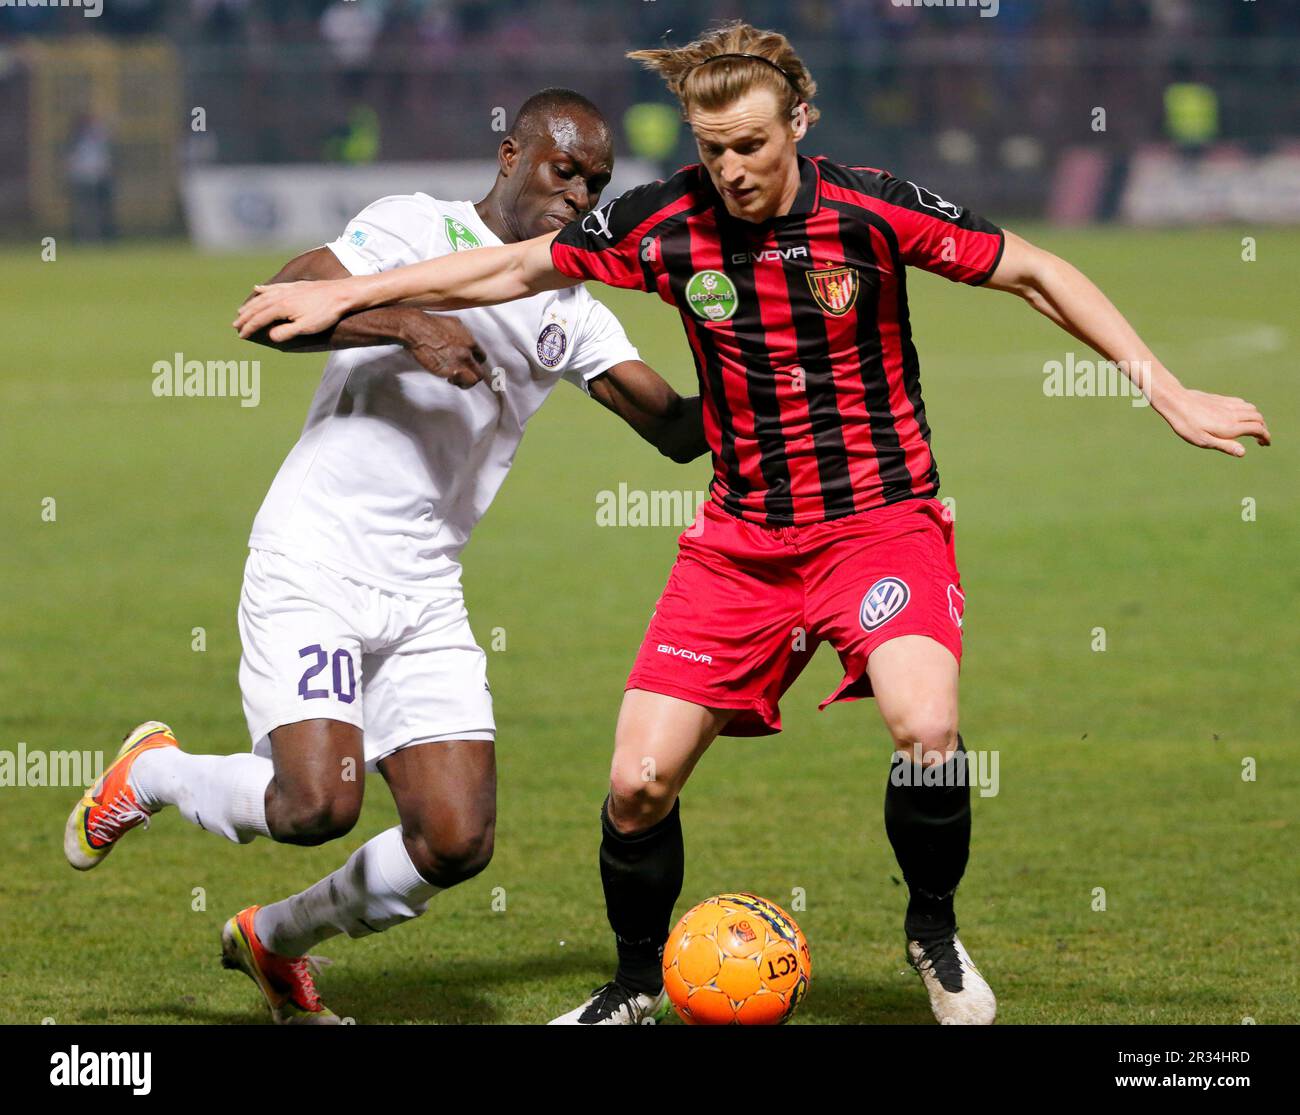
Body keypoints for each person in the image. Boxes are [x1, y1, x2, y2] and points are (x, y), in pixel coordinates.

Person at [233, 23, 1271, 1026]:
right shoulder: (663, 220)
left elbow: (1035, 270)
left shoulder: (871, 212)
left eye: (750, 145)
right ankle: (635, 982)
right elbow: (511, 268)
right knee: (637, 783)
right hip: (740, 544)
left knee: (926, 725)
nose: (729, 169)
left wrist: (1164, 390)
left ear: (800, 122)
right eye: (711, 147)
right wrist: (358, 296)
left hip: (879, 521)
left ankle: (934, 931)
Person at [64, 88, 706, 1025]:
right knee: (316, 804)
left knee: (455, 840)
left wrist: (759, 373)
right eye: (563, 168)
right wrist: (407, 321)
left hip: (425, 590)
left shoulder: (571, 305)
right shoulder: (415, 226)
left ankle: (272, 940)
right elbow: (277, 304)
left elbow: (677, 433)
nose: (577, 193)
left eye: (597, 182)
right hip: (314, 560)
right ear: (510, 154)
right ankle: (156, 771)